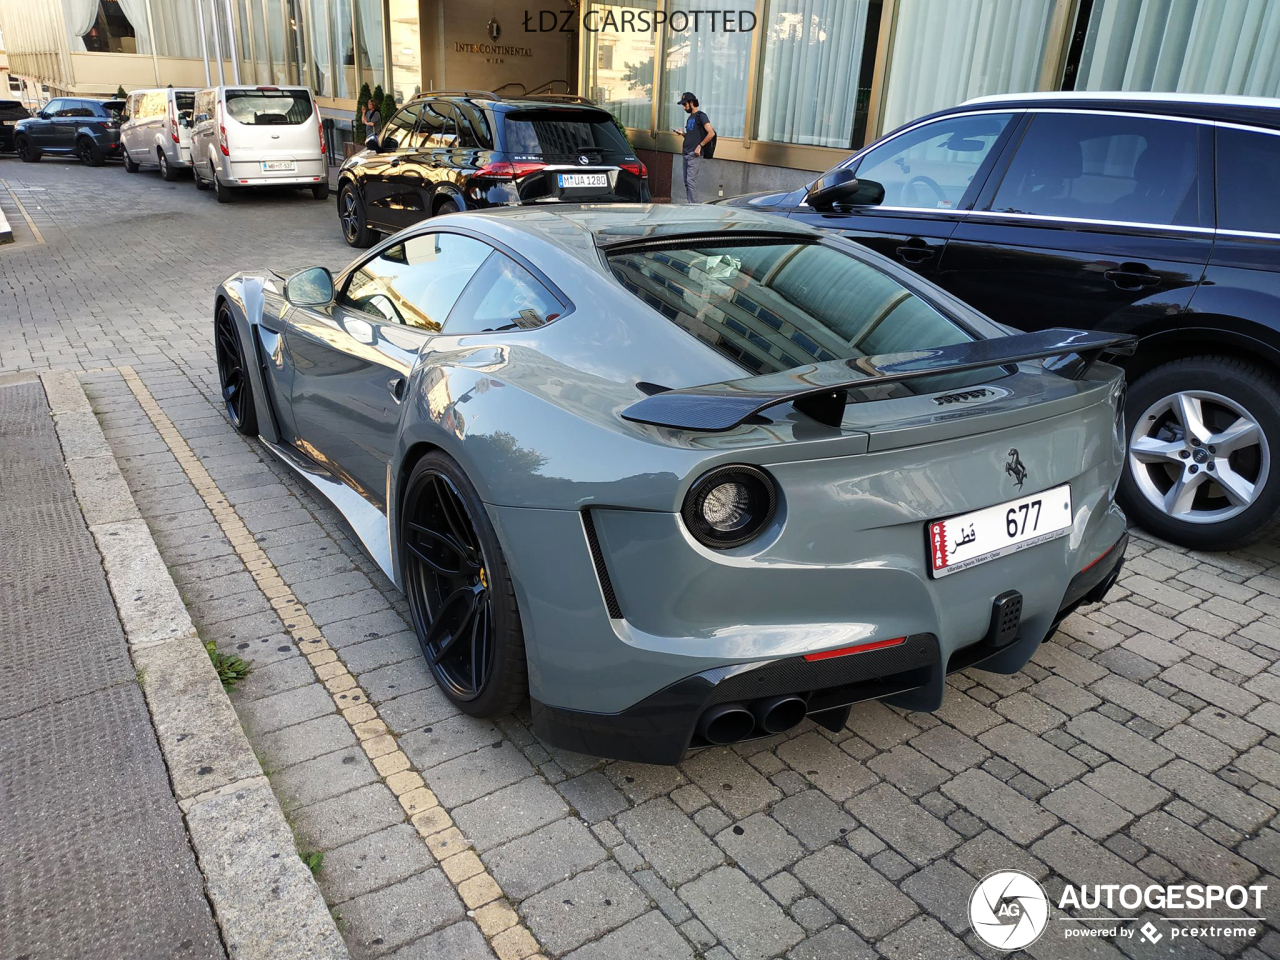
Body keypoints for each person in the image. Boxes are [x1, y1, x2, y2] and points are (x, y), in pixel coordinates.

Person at [672, 92, 715, 203]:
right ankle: (690, 204)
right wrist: (682, 133)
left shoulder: (701, 116)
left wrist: (700, 146)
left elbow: (711, 133)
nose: (684, 107)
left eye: (685, 104)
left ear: (691, 103)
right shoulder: (690, 118)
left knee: (691, 182)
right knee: (687, 182)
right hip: (686, 153)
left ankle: (694, 207)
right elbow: (692, 136)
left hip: (694, 155)